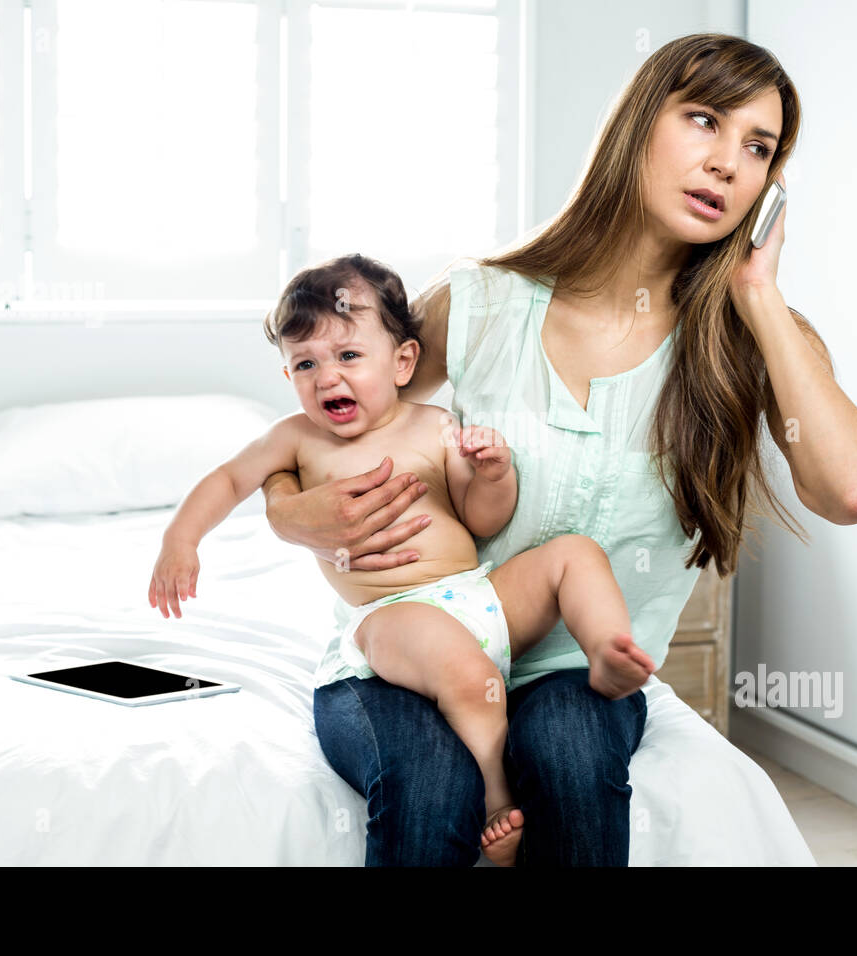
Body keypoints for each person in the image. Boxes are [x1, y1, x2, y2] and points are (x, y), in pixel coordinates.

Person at [260, 33, 857, 866]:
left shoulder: (750, 339)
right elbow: (331, 410)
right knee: (427, 777)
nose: (727, 164)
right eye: (704, 120)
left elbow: (853, 490)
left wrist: (759, 292)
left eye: (758, 148)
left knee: (565, 744)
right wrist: (289, 513)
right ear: (638, 125)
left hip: (575, 673)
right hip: (423, 648)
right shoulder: (483, 304)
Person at [148, 252, 657, 866]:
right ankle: (499, 800)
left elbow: (480, 516)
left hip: (477, 598)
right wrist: (181, 539)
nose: (327, 377)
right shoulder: (295, 438)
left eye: (348, 356)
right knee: (474, 679)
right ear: (287, 376)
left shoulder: (435, 424)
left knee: (574, 554)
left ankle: (605, 649)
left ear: (403, 361)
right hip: (392, 617)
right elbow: (229, 480)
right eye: (305, 363)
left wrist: (495, 474)